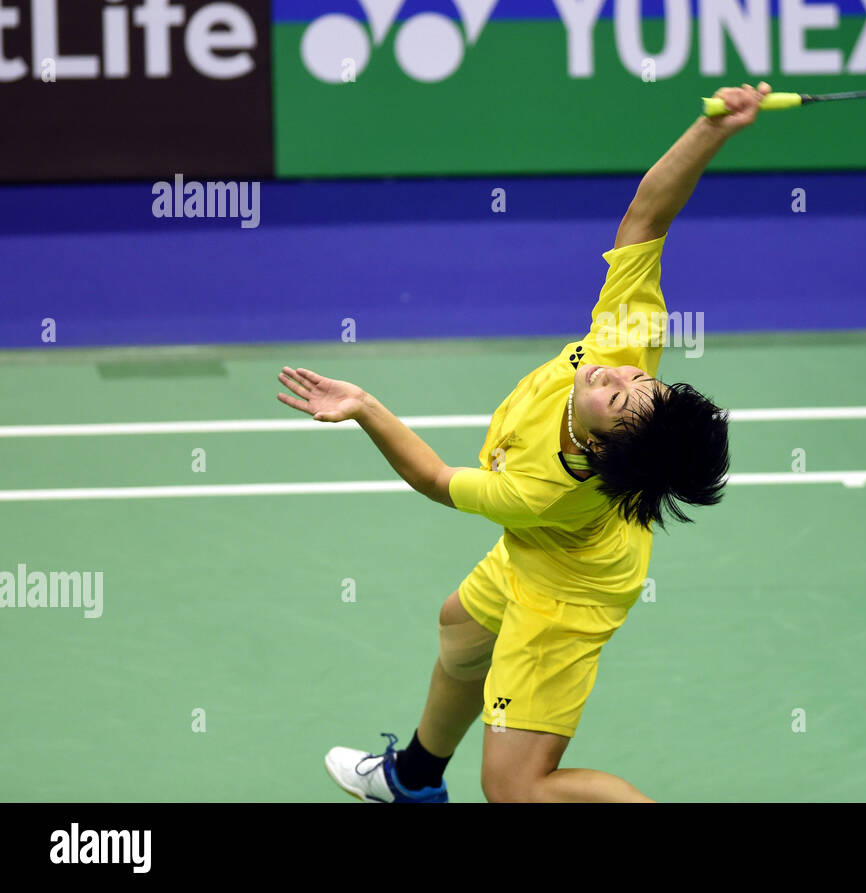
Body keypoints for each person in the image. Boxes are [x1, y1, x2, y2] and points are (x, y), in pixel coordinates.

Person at [275, 81, 772, 802]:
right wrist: (712, 129)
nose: (615, 374)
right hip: (541, 550)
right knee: (460, 630)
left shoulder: (544, 487)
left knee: (515, 790)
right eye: (640, 383)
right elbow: (647, 216)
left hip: (568, 593)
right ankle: (412, 779)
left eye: (620, 398)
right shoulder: (627, 349)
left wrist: (366, 407)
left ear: (604, 451)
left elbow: (438, 481)